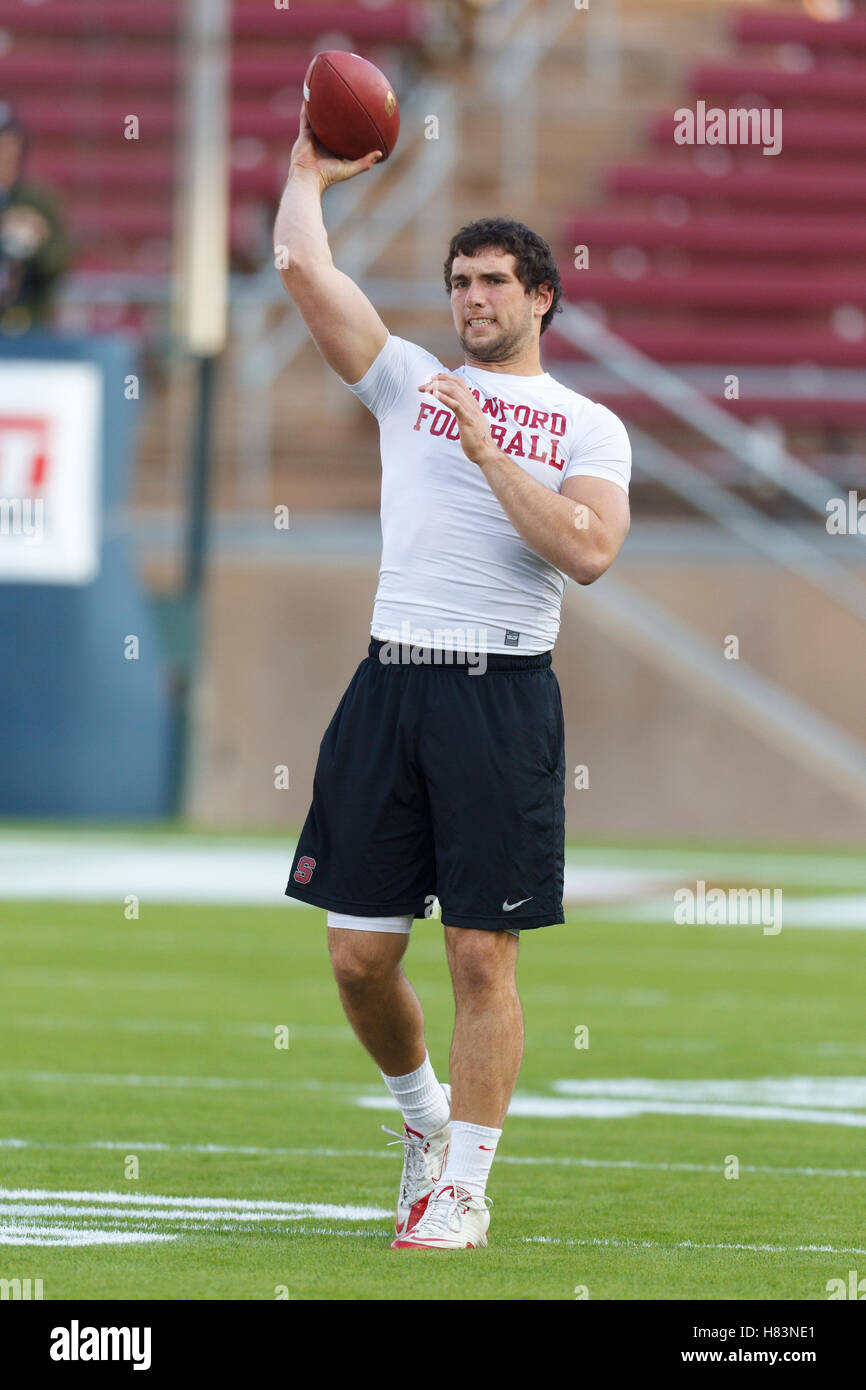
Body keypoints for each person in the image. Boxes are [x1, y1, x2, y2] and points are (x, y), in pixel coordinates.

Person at [275, 105, 631, 1250]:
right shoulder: (409, 382)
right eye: (458, 280)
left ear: (538, 298)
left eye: (492, 280)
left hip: (498, 693)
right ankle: (424, 1125)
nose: (471, 298)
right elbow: (299, 268)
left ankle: (465, 1189)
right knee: (356, 955)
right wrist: (304, 170)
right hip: (392, 684)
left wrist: (487, 453)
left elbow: (586, 551)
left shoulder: (586, 423)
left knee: (481, 952)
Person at [0, 104, 69, 333]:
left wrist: (41, 238)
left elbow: (60, 261)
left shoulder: (37, 201)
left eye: (8, 143)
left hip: (28, 326)